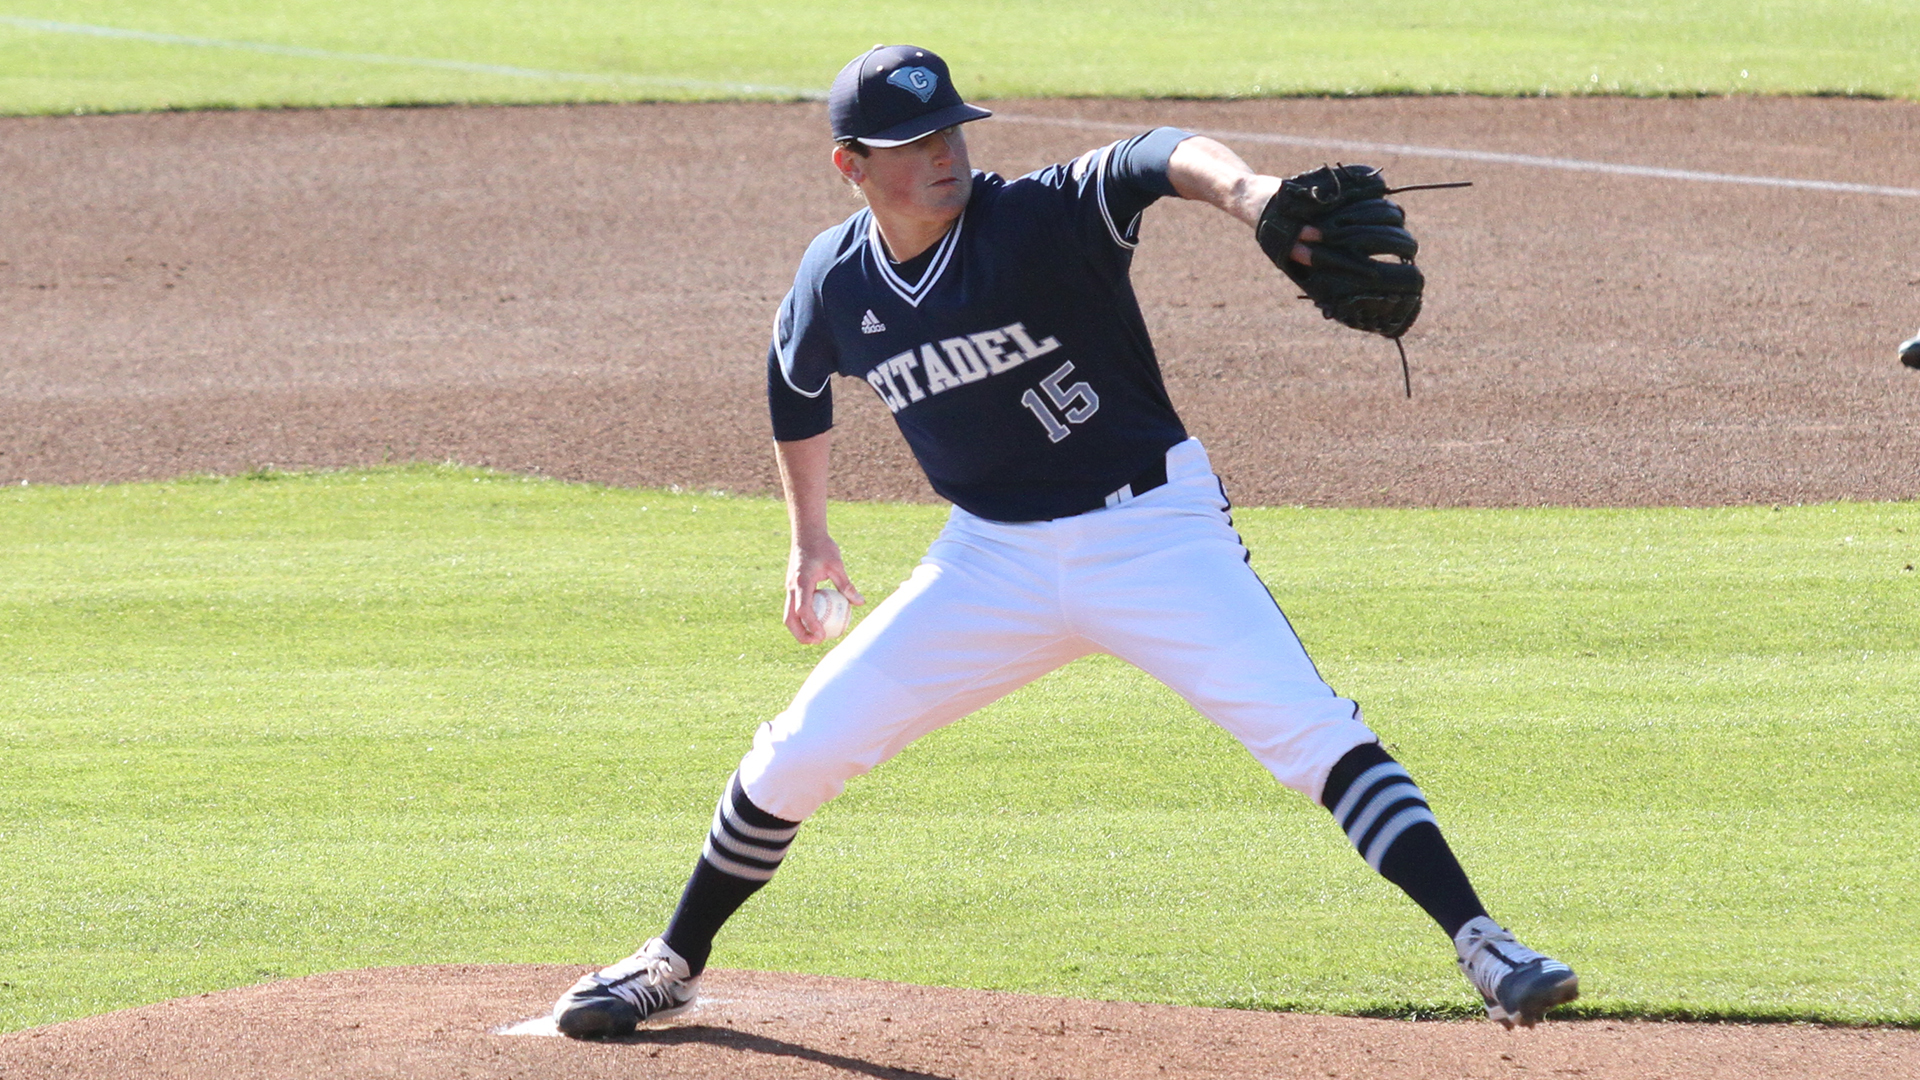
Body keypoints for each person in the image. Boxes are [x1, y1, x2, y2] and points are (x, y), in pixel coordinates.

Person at [551, 44, 1578, 1038]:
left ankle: (1486, 947)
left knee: (1308, 730)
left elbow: (1152, 154)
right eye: (910, 141)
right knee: (801, 749)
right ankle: (670, 964)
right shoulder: (836, 280)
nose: (943, 151)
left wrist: (1250, 192)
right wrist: (809, 538)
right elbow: (795, 380)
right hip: (987, 560)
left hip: (1151, 531)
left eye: (949, 126)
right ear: (852, 165)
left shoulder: (1034, 218)